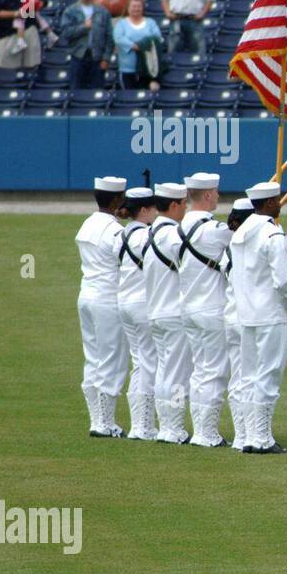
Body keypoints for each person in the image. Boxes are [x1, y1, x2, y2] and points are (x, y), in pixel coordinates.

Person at [229, 181, 287, 454]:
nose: (279, 202)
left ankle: (248, 437)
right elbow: (282, 280)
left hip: (246, 315)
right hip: (271, 314)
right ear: (268, 203)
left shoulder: (241, 233)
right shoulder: (271, 234)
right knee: (268, 378)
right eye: (276, 199)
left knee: (249, 377)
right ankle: (262, 439)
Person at [177, 173, 233, 448]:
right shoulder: (216, 230)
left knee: (199, 370)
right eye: (217, 192)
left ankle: (201, 429)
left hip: (187, 308)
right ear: (208, 194)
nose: (219, 197)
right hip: (212, 308)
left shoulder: (176, 227)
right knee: (215, 371)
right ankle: (207, 433)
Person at [76, 176, 129, 438]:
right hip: (108, 298)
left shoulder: (88, 224)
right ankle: (104, 422)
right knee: (112, 360)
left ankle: (97, 419)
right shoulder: (114, 230)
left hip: (86, 294)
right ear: (118, 200)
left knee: (94, 358)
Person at [145, 181, 192, 444]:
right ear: (173, 205)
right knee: (176, 374)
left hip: (155, 312)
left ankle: (166, 425)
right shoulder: (175, 235)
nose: (186, 208)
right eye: (183, 203)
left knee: (164, 371)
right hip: (174, 313)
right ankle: (173, 428)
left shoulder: (149, 233)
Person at [117, 186, 159, 441]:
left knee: (140, 363)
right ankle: (143, 426)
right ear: (144, 210)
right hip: (143, 304)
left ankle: (140, 424)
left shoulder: (120, 234)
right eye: (153, 207)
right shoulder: (146, 236)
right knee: (148, 364)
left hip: (125, 304)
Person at [221, 198, 255, 451]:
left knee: (237, 378)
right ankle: (250, 435)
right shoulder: (253, 246)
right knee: (251, 378)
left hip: (229, 317)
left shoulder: (229, 247)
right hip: (248, 320)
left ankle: (241, 434)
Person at [60, 0, 113, 90]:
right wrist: (84, 27)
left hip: (97, 58)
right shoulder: (70, 11)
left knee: (97, 91)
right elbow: (66, 33)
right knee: (76, 90)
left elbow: (109, 37)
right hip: (78, 57)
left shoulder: (103, 12)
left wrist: (106, 58)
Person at [113, 0, 163, 91]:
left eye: (139, 6)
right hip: (127, 69)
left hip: (148, 69)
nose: (136, 9)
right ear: (128, 8)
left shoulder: (151, 23)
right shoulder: (121, 24)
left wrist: (143, 45)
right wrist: (135, 46)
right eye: (133, 6)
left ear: (142, 8)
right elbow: (119, 38)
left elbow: (157, 37)